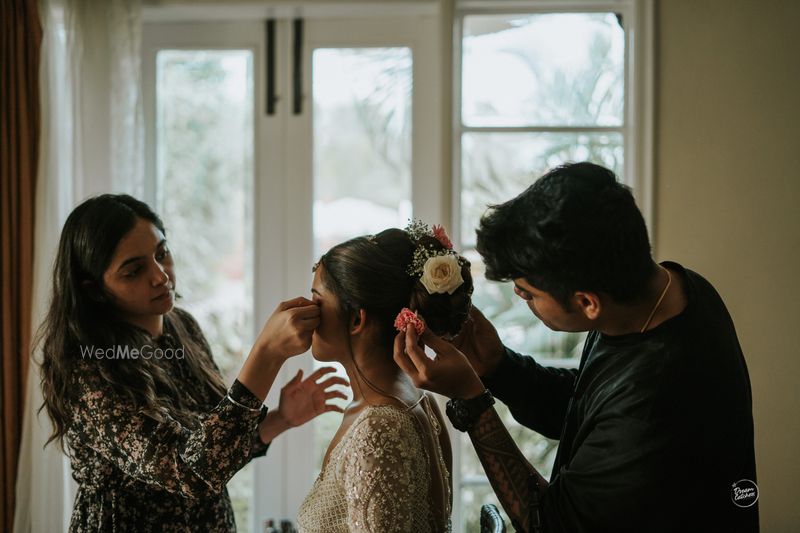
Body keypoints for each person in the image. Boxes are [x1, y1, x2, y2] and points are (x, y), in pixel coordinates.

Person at [394, 163, 759, 533]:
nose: (520, 296)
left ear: (587, 302)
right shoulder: (668, 290)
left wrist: (471, 400)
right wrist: (498, 366)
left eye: (530, 292)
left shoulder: (658, 399)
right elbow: (591, 408)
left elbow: (550, 524)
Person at [38, 194, 347, 532]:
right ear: (94, 289)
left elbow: (213, 450)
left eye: (162, 254)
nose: (160, 276)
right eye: (134, 271)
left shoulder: (182, 328)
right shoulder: (90, 369)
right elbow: (191, 473)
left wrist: (280, 419)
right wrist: (266, 353)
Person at [296, 223, 471, 533]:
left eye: (317, 299)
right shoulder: (420, 400)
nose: (307, 310)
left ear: (355, 319)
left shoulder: (379, 427)